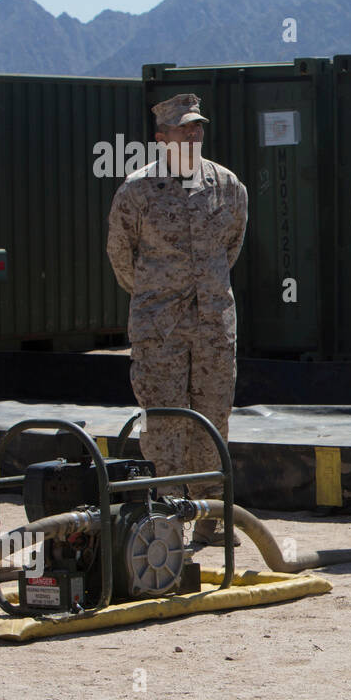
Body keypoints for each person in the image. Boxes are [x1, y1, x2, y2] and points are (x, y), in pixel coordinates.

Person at [106, 94, 248, 548]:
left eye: (197, 127)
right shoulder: (136, 191)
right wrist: (155, 297)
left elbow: (232, 248)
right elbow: (120, 256)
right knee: (164, 420)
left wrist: (202, 292)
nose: (193, 134)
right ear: (161, 138)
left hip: (212, 325)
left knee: (213, 417)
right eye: (184, 128)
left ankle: (210, 513)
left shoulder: (228, 187)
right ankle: (165, 517)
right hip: (158, 328)